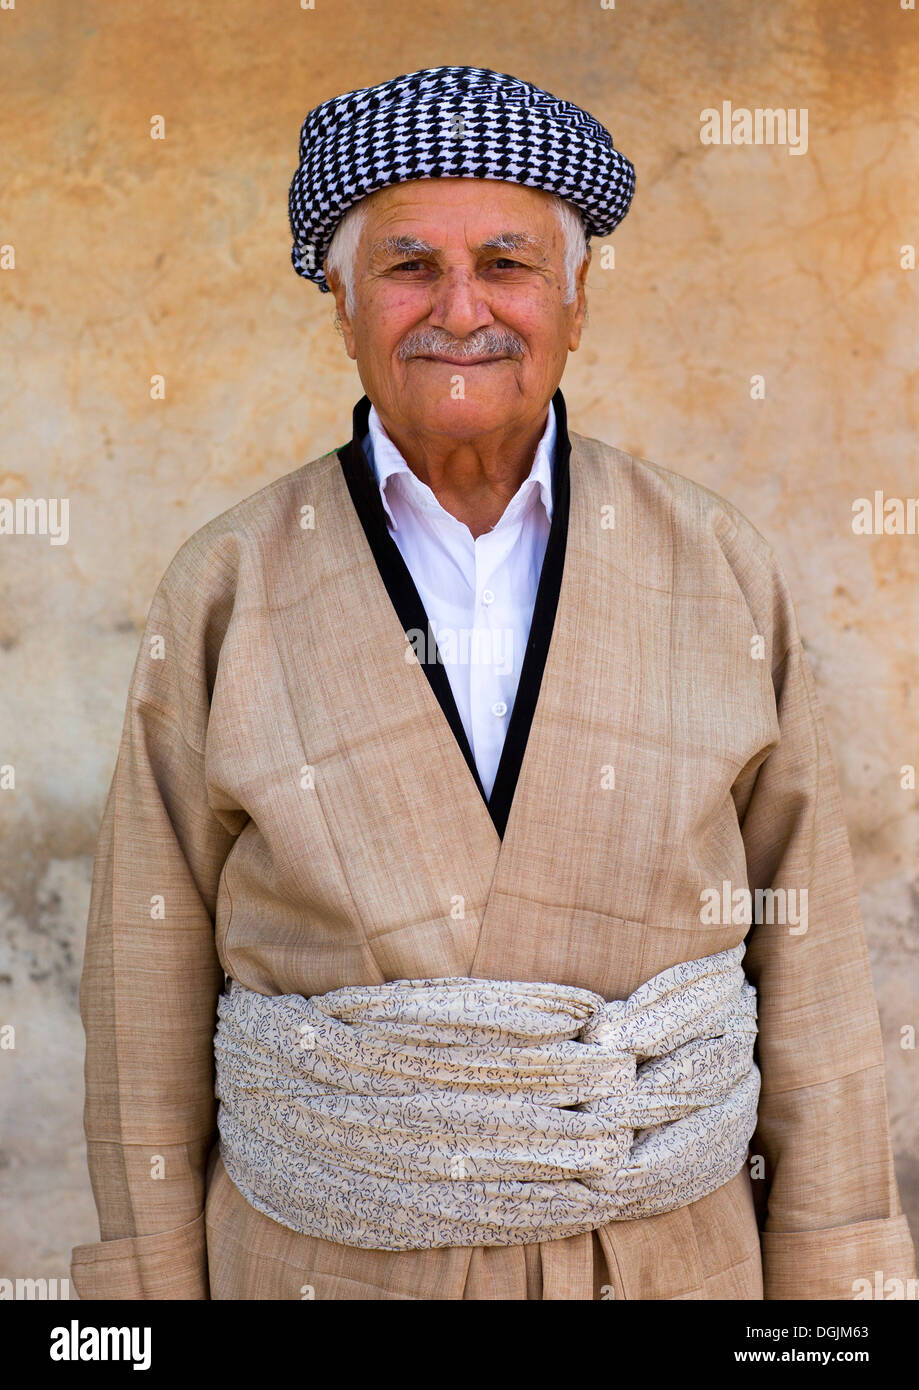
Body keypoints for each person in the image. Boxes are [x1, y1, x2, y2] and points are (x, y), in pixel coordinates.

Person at [71, 64, 915, 1300]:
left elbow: (813, 975)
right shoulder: (229, 584)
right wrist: (143, 1301)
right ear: (343, 305)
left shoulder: (719, 567)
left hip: (669, 1265)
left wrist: (835, 1302)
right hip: (324, 1269)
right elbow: (144, 987)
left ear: (575, 304)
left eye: (508, 265)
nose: (459, 309)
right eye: (409, 265)